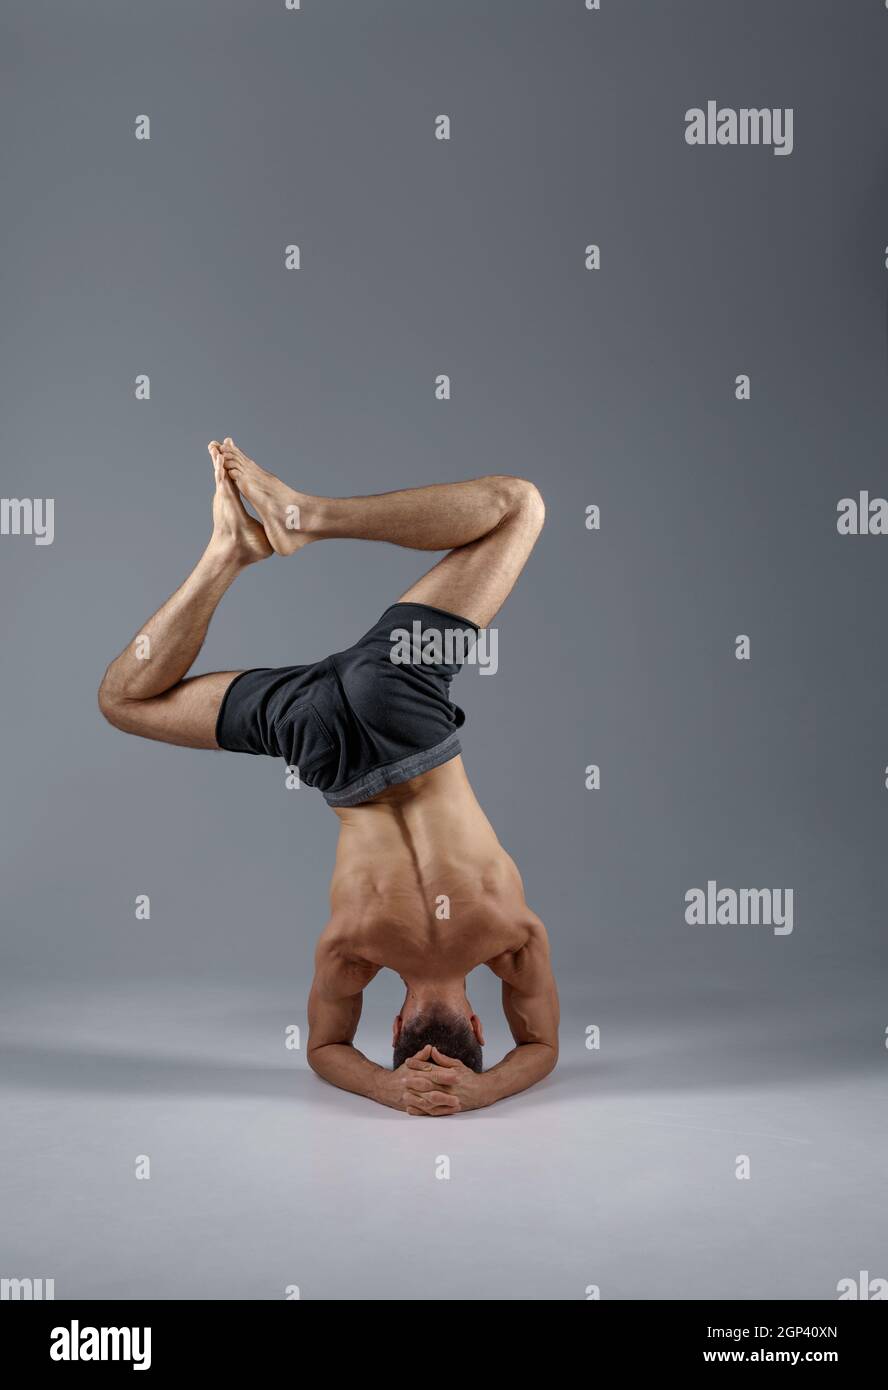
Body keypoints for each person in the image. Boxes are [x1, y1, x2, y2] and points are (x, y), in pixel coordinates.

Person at [99, 439, 559, 1114]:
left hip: (403, 705)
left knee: (519, 506)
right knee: (124, 702)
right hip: (322, 740)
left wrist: (487, 1086)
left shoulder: (513, 934)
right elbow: (323, 1051)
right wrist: (387, 1085)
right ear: (396, 1026)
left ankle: (309, 517)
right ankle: (225, 556)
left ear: (482, 1025)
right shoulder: (352, 950)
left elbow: (542, 1048)